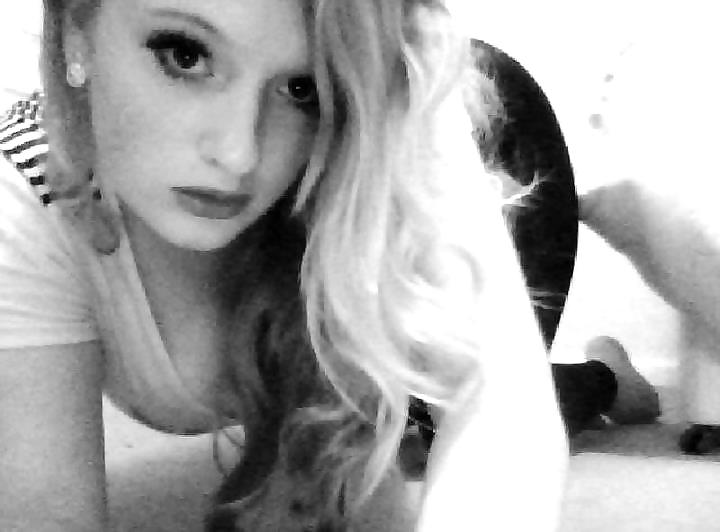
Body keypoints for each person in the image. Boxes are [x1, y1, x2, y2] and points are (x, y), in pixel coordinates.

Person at [0, 1, 567, 531]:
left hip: (505, 152)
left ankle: (600, 332)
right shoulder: (23, 200)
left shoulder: (395, 110)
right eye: (185, 55)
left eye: (303, 89)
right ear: (75, 26)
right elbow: (44, 512)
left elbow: (504, 411)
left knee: (433, 420)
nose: (238, 154)